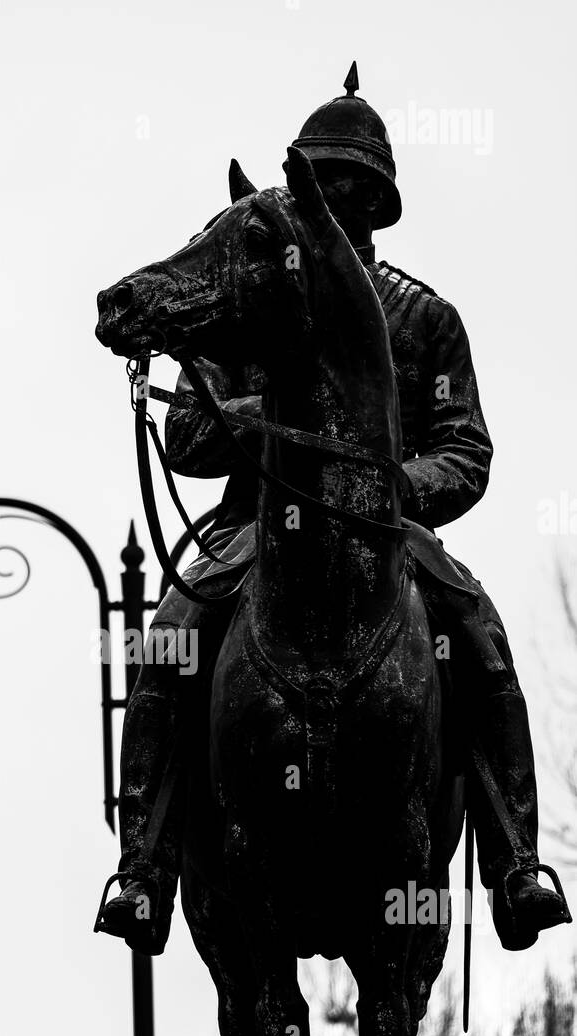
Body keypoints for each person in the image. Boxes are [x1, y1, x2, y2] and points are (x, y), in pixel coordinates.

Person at [97, 64, 570, 956]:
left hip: (390, 533)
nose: (333, 202)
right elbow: (188, 439)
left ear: (376, 205)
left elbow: (465, 451)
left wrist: (394, 488)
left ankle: (516, 865)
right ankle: (143, 870)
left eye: (350, 188)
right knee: (169, 641)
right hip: (251, 529)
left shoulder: (423, 318)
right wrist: (254, 420)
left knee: (479, 631)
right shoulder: (252, 303)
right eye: (321, 184)